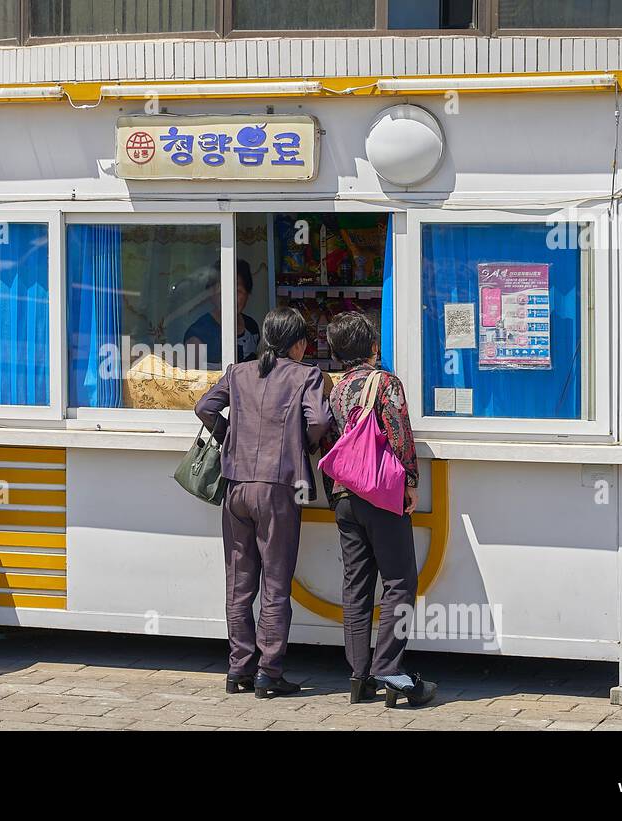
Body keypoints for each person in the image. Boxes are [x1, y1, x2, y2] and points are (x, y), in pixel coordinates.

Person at [195, 307, 332, 699]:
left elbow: (204, 407)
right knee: (275, 583)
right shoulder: (307, 375)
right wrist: (301, 445)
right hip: (279, 489)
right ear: (299, 343)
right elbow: (320, 421)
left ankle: (238, 668)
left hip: (235, 485)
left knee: (238, 583)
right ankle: (268, 672)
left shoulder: (239, 372)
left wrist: (228, 436)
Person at [323, 311, 437, 709]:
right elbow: (400, 434)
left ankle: (358, 677)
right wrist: (411, 482)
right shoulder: (385, 383)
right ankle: (389, 669)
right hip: (381, 496)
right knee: (400, 581)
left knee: (356, 587)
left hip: (344, 497)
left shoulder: (335, 391)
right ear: (372, 345)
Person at [183, 260, 261, 370]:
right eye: (222, 290)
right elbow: (192, 382)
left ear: (248, 294)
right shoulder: (198, 335)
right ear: (211, 294)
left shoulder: (252, 328)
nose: (230, 297)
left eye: (238, 291)